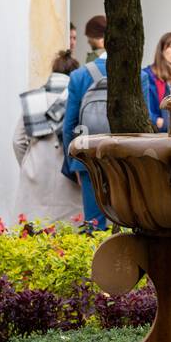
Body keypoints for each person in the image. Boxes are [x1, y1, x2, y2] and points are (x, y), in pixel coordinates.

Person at [13, 51, 83, 224]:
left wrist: (29, 164)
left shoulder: (34, 98)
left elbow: (18, 140)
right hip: (67, 176)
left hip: (36, 175)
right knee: (68, 236)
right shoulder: (78, 100)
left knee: (33, 235)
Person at [62, 16, 109, 230]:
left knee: (94, 223)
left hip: (88, 157)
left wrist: (73, 165)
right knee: (128, 221)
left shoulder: (79, 76)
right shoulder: (138, 74)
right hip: (125, 157)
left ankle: (94, 261)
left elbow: (69, 124)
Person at [141, 32, 171, 132]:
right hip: (160, 132)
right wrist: (158, 121)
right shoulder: (148, 75)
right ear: (162, 50)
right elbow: (144, 106)